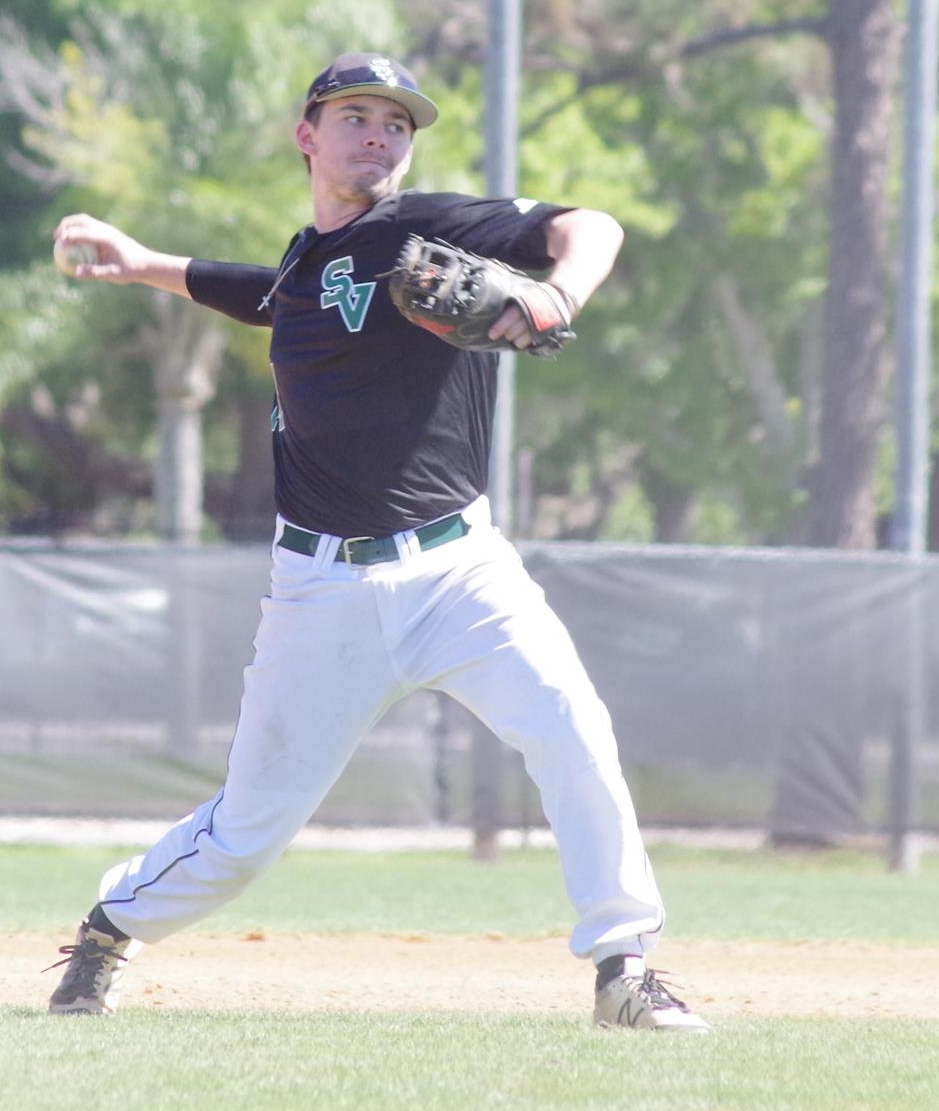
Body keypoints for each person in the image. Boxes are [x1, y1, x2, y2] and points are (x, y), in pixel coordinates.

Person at [41, 51, 708, 1032]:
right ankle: (107, 928)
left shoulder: (421, 228)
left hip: (459, 570)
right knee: (247, 831)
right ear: (306, 135)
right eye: (356, 114)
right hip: (322, 592)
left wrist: (555, 295)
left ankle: (623, 966)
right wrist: (142, 262)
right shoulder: (307, 261)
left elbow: (590, 226)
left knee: (572, 728)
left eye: (396, 122)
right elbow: (264, 294)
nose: (380, 134)